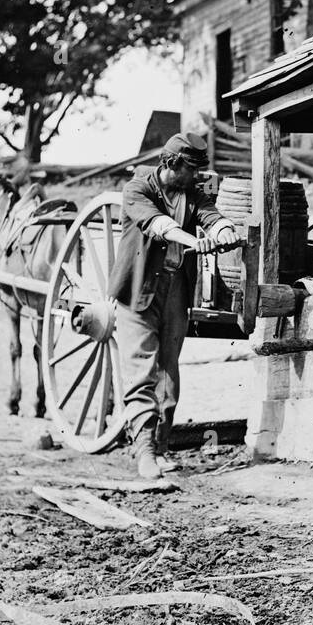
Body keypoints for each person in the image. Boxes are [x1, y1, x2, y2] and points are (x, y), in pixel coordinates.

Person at [107, 132, 239, 480]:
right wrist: (196, 241)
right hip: (139, 292)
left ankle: (162, 448)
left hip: (175, 291)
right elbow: (158, 225)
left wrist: (224, 230)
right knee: (141, 370)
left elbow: (211, 214)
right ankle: (145, 452)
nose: (197, 177)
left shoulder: (189, 194)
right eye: (192, 169)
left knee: (169, 373)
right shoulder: (137, 189)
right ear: (171, 164)